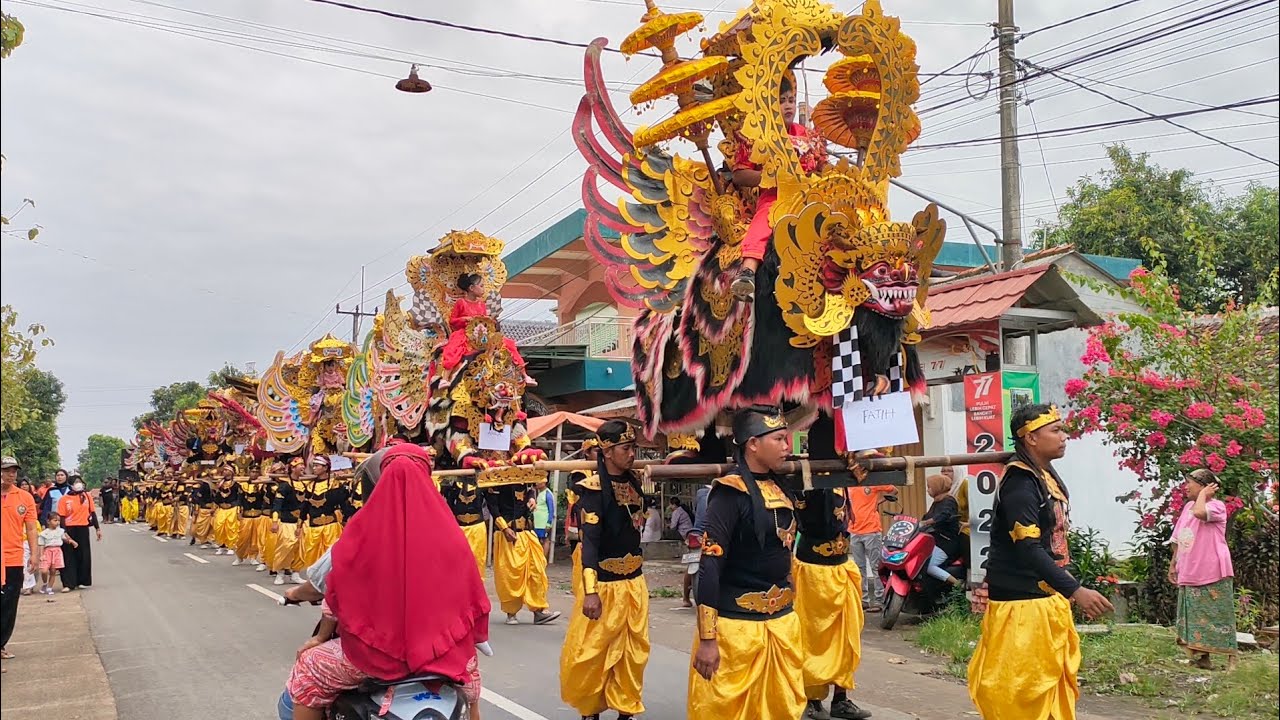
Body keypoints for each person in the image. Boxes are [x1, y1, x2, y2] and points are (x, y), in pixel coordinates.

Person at [284, 443, 489, 720]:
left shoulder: (360, 534)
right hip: (441, 655)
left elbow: (337, 595)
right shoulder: (453, 535)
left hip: (373, 658)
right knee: (470, 685)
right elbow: (472, 597)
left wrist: (321, 637)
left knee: (309, 668)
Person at [967, 404, 1113, 720]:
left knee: (1046, 690)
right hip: (1022, 606)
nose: (1064, 436)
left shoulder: (1041, 475)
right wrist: (1076, 590)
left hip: (1043, 600)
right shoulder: (1021, 482)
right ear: (1031, 438)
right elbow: (1029, 550)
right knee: (1022, 693)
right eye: (1056, 430)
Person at [688, 407, 805, 720]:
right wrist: (708, 640)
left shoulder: (784, 487)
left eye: (787, 438)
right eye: (779, 438)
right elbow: (709, 567)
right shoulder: (729, 493)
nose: (787, 446)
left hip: (781, 625)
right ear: (753, 443)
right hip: (736, 631)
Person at [559, 421, 650, 720]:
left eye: (634, 448)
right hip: (606, 586)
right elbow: (591, 547)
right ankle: (591, 710)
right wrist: (591, 592)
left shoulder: (636, 482)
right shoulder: (593, 490)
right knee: (594, 654)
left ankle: (626, 710)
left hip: (635, 585)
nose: (632, 454)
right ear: (608, 452)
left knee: (632, 653)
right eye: (626, 448)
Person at [728, 74, 828, 301]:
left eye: (791, 100)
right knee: (765, 219)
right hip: (777, 197)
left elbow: (823, 166)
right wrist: (771, 178)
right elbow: (739, 174)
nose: (788, 106)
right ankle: (748, 271)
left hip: (811, 197)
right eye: (781, 101)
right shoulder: (756, 135)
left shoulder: (808, 136)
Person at [794, 480, 872, 720]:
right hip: (812, 571)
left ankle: (841, 698)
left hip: (840, 567)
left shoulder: (844, 477)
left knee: (847, 635)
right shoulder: (806, 479)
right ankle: (812, 699)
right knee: (813, 636)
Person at [1169, 468, 1237, 670]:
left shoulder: (1217, 506)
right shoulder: (1187, 506)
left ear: (1204, 487)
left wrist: (1203, 496)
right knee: (1195, 615)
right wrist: (1174, 563)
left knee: (1219, 614)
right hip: (1190, 568)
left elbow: (1200, 513)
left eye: (1190, 483)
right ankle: (1203, 657)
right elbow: (1178, 537)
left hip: (1212, 568)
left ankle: (1232, 657)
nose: (1186, 487)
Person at [485, 475, 561, 626]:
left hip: (526, 532)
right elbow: (492, 506)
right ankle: (511, 612)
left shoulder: (525, 475)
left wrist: (532, 497)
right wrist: (504, 528)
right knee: (511, 574)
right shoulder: (497, 477)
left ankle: (539, 610)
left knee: (537, 569)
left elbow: (530, 489)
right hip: (507, 534)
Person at [440, 273, 536, 385]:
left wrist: (489, 321)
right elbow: (452, 321)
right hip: (465, 333)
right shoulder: (461, 303)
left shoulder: (482, 304)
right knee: (454, 347)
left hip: (484, 335)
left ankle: (524, 375)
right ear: (471, 288)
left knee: (509, 344)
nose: (483, 289)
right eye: (481, 286)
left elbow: (485, 322)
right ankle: (445, 378)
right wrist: (465, 319)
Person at [2, 456, 40, 673]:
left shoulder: (24, 497)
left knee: (9, 604)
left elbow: (32, 528)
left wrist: (34, 554)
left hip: (14, 558)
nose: (10, 474)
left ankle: (1, 644)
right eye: (6, 470)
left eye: (14, 471)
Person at [847, 482, 894, 612]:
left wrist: (878, 502)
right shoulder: (848, 485)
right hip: (854, 530)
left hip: (871, 530)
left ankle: (879, 600)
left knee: (875, 566)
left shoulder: (873, 483)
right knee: (859, 567)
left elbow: (893, 490)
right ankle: (864, 600)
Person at [57, 475, 102, 591]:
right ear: (70, 484)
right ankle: (68, 583)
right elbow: (62, 517)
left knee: (83, 555)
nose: (78, 484)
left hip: (83, 528)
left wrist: (97, 529)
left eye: (80, 481)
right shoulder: (64, 499)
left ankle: (83, 580)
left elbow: (92, 513)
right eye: (76, 482)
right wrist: (64, 532)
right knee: (69, 556)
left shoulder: (87, 496)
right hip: (69, 529)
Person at [442, 474, 489, 581]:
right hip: (459, 529)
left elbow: (493, 503)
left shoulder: (483, 483)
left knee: (477, 561)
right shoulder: (452, 485)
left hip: (477, 528)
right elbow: (448, 506)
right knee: (458, 562)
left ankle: (477, 591)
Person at [920, 474, 963, 588]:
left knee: (929, 566)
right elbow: (925, 518)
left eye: (929, 487)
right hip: (935, 541)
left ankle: (957, 584)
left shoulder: (949, 501)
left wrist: (929, 522)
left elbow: (944, 515)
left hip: (946, 542)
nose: (927, 490)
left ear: (937, 487)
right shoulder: (936, 502)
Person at [269, 458, 307, 585]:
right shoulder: (284, 486)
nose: (303, 467)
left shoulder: (305, 484)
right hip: (287, 522)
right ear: (292, 468)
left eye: (303, 465)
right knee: (285, 546)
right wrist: (275, 522)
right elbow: (277, 504)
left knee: (300, 549)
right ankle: (280, 573)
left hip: (301, 523)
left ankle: (295, 573)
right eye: (300, 465)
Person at [37, 513, 75, 597]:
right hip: (47, 552)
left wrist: (71, 541)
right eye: (55, 520)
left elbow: (65, 538)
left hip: (57, 551)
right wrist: (41, 554)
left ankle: (49, 587)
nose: (57, 522)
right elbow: (41, 545)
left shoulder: (60, 531)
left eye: (58, 521)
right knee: (44, 570)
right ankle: (45, 583)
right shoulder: (44, 533)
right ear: (48, 521)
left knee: (53, 571)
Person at [668, 496, 696, 607]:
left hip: (686, 535)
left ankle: (686, 596)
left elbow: (673, 527)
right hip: (693, 534)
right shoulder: (684, 511)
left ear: (672, 505)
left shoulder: (677, 512)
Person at [212, 463, 241, 556]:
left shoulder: (236, 485)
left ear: (231, 472)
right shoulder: (219, 484)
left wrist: (239, 509)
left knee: (231, 528)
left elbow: (239, 498)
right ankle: (221, 546)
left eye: (227, 470)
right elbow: (217, 497)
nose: (224, 471)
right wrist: (214, 507)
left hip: (232, 509)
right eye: (224, 470)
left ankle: (231, 546)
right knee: (218, 527)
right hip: (221, 509)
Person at [532, 478, 557, 560]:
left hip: (544, 522)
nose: (536, 484)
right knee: (539, 540)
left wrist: (549, 523)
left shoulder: (548, 494)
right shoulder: (540, 493)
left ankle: (543, 559)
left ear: (543, 483)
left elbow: (551, 510)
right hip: (538, 522)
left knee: (545, 539)